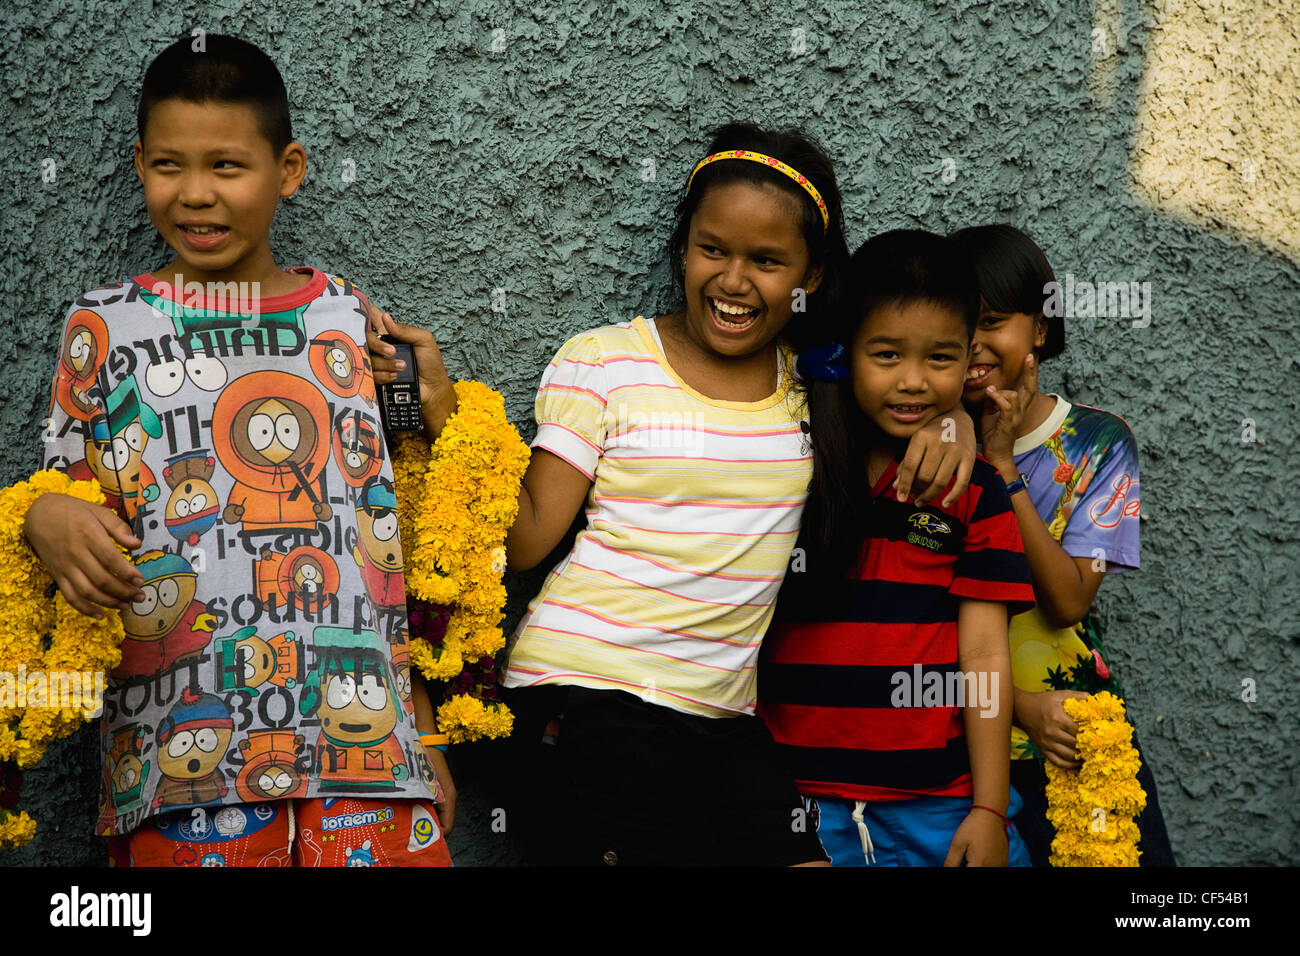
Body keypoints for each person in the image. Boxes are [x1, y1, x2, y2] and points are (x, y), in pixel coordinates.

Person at [370, 124, 979, 865]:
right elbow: (528, 537)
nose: (732, 279)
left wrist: (955, 423)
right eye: (712, 249)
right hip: (588, 693)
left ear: (810, 275)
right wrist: (437, 407)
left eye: (766, 260)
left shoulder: (814, 389)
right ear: (684, 247)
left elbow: (909, 381)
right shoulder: (607, 363)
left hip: (722, 716)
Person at [21, 34, 455, 867]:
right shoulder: (105, 330)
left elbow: (392, 538)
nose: (194, 196)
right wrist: (43, 516)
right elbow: (64, 513)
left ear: (288, 169)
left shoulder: (346, 320)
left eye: (226, 166)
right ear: (140, 165)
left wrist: (428, 732)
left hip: (367, 762)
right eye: (168, 167)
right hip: (177, 764)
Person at [758, 229, 1036, 866]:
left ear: (969, 360)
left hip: (939, 805)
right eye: (886, 355)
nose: (913, 383)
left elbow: (986, 654)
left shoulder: (976, 494)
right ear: (847, 353)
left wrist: (990, 808)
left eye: (940, 359)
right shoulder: (793, 465)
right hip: (796, 808)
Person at [950, 223, 1175, 866]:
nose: (973, 345)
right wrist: (1020, 707)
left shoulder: (1097, 442)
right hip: (969, 745)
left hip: (1077, 740)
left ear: (1040, 328)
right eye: (960, 323)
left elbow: (1068, 600)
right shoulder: (926, 440)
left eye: (992, 321)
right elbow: (920, 619)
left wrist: (1003, 468)